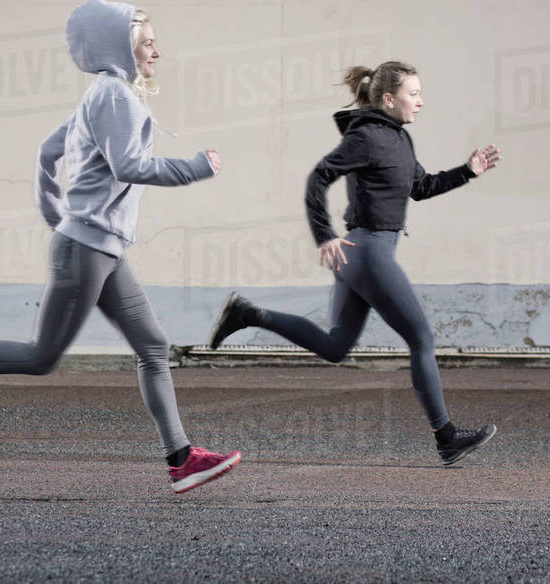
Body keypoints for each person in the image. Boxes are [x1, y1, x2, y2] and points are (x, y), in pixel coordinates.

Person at [0, 0, 241, 494]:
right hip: (87, 250)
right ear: (120, 46)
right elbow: (129, 166)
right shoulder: (114, 97)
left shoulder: (106, 94)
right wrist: (196, 166)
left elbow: (49, 151)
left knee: (153, 347)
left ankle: (182, 460)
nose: (157, 50)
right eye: (147, 42)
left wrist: (57, 213)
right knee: (41, 356)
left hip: (99, 248)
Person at [208, 61, 501, 466]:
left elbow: (421, 186)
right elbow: (318, 178)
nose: (421, 101)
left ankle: (249, 314)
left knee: (335, 346)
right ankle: (446, 437)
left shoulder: (399, 138)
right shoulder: (365, 138)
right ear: (389, 99)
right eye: (414, 94)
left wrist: (467, 171)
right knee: (422, 339)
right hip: (367, 254)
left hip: (362, 254)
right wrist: (324, 235)